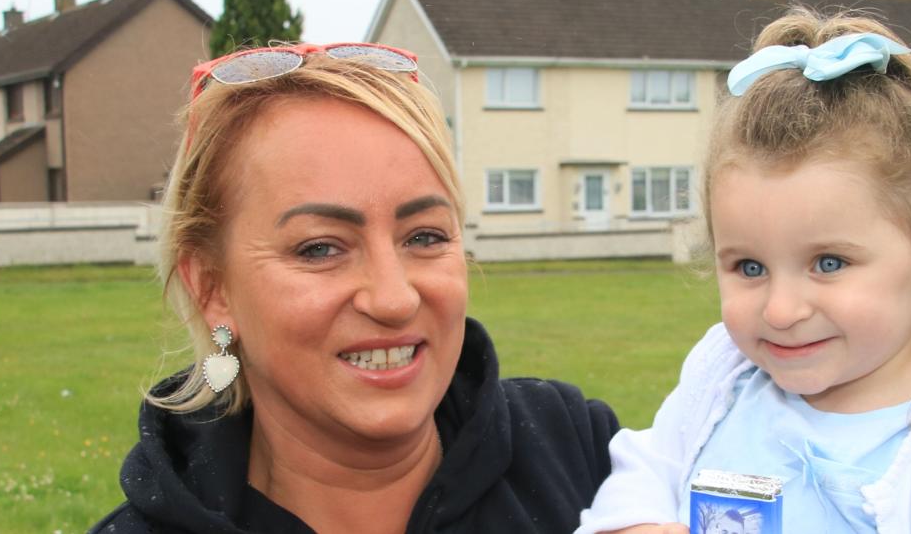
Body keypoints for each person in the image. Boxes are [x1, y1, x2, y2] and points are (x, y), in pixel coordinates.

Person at [91, 43, 619, 533]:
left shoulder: (587, 459)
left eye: (424, 236)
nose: (393, 298)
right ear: (213, 290)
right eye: (320, 248)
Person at [576, 10, 911, 533]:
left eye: (829, 263)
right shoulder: (722, 377)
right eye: (749, 267)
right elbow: (640, 475)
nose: (782, 310)